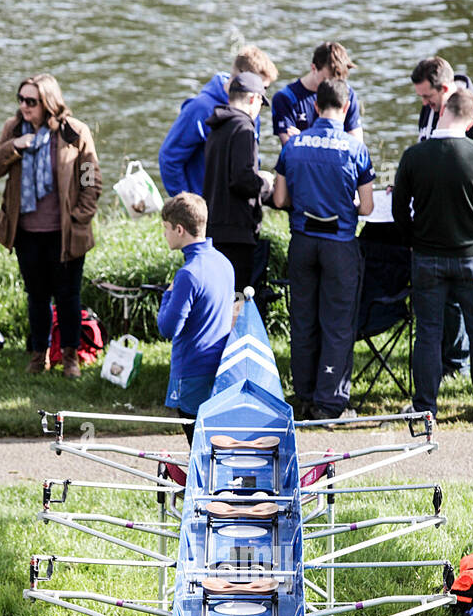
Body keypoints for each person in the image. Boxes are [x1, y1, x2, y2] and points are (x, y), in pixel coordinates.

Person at [392, 88, 473, 424]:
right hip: (472, 256)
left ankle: (424, 406)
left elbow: (398, 208)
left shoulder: (414, 156)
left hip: (427, 256)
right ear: (472, 119)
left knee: (428, 331)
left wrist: (411, 239)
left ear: (443, 110)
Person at [0, 73, 101, 378]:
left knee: (68, 296)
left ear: (48, 103)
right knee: (36, 296)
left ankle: (70, 357)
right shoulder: (14, 129)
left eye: (31, 101)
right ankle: (39, 356)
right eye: (21, 99)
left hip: (65, 231)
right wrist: (15, 146)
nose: (24, 106)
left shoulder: (73, 132)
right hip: (26, 232)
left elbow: (90, 176)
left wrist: (81, 215)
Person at [272, 79, 375, 420]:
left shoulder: (293, 145)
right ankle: (329, 403)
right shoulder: (355, 149)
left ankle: (302, 396)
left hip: (302, 243)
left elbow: (280, 199)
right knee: (338, 323)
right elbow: (367, 208)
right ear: (346, 109)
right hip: (339, 246)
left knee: (303, 320)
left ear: (316, 107)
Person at [411, 56, 473, 378]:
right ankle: (448, 359)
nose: (424, 103)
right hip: (431, 223)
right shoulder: (430, 109)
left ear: (445, 89)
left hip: (463, 228)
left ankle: (457, 361)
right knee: (441, 303)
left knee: (464, 303)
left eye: (428, 97)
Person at [158, 193, 235, 443]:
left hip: (191, 373)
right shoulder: (224, 263)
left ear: (179, 229)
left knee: (199, 448)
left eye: (166, 229)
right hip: (219, 369)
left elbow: (168, 328)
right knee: (215, 447)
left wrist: (167, 296)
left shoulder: (188, 274)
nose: (165, 235)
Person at [158, 47, 278, 198]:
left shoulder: (253, 109)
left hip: (235, 208)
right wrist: (188, 204)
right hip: (205, 208)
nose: (263, 95)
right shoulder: (200, 108)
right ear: (243, 78)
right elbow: (169, 158)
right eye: (262, 86)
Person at [203, 72, 275, 292]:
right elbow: (242, 180)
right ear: (253, 99)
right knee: (238, 299)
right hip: (236, 231)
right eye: (260, 105)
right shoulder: (244, 128)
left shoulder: (218, 127)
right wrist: (265, 183)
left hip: (214, 226)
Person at [271, 41, 363, 145]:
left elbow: (356, 144)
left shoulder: (347, 94)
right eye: (327, 79)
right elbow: (289, 148)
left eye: (338, 80)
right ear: (314, 68)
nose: (334, 85)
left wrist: (303, 138)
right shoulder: (285, 98)